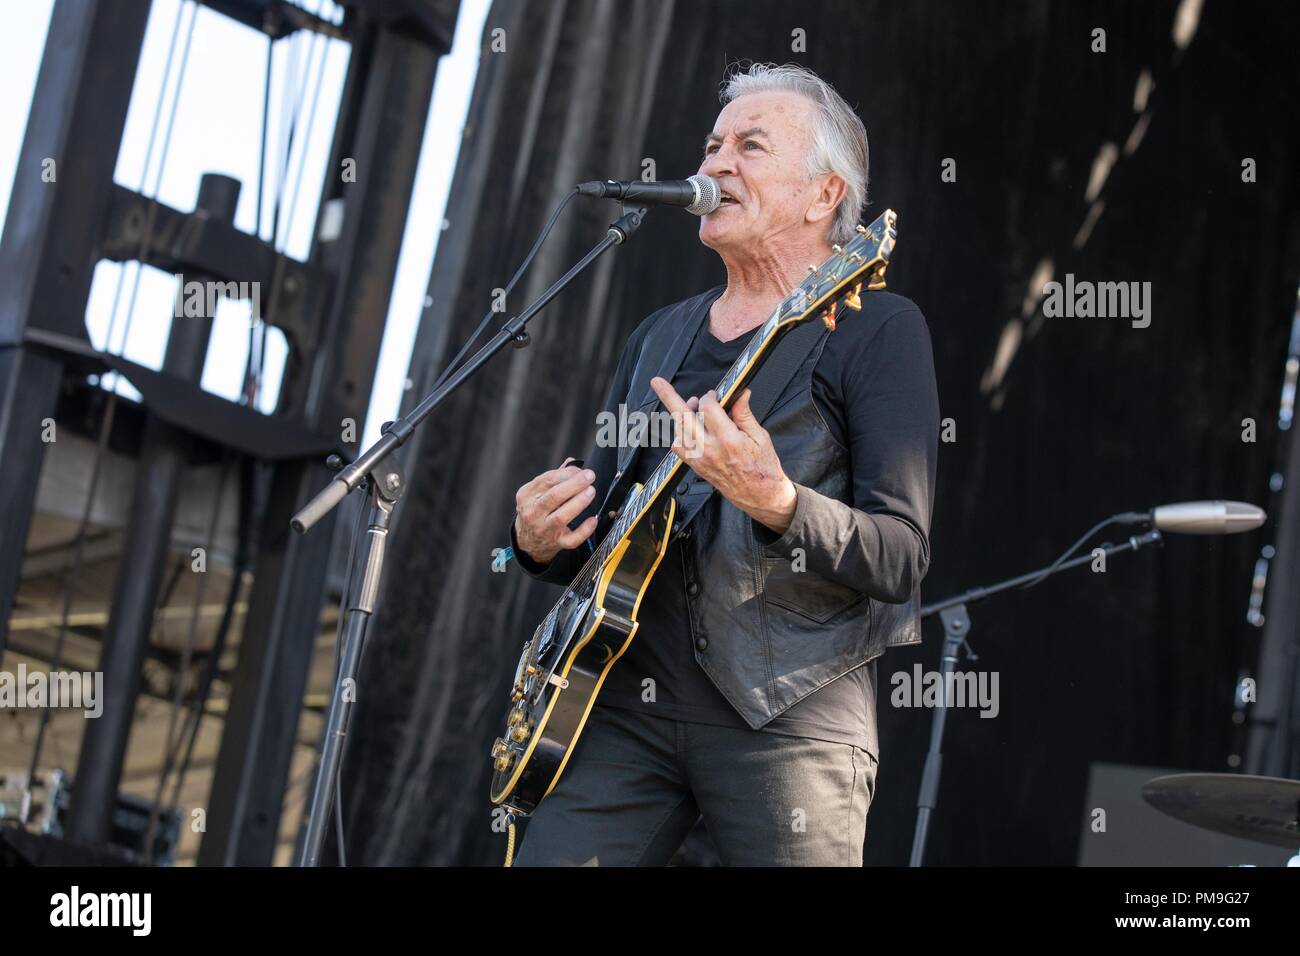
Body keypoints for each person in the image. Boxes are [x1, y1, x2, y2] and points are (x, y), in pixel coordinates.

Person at [508, 62, 939, 866]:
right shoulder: (659, 336)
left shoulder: (878, 328)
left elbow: (902, 555)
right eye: (711, 146)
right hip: (624, 707)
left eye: (750, 146)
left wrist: (775, 499)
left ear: (824, 196)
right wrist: (539, 539)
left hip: (789, 716)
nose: (714, 165)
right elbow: (600, 534)